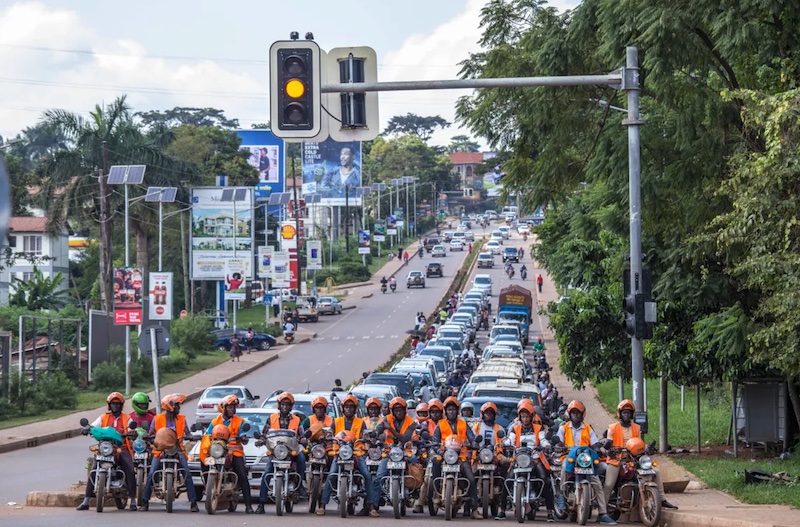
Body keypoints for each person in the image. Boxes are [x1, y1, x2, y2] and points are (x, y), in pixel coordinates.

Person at [603, 400, 677, 510]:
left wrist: (648, 448)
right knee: (609, 484)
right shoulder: (612, 428)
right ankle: (602, 510)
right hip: (617, 459)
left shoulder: (636, 428)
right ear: (620, 414)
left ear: (632, 414)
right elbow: (608, 442)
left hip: (633, 459)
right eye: (624, 413)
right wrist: (610, 448)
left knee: (655, 471)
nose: (626, 415)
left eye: (628, 413)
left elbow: (639, 443)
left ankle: (662, 500)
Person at [556, 400, 616, 525]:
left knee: (597, 482)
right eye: (573, 413)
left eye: (578, 413)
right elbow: (558, 442)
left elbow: (595, 445)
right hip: (569, 457)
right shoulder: (564, 428)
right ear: (569, 414)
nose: (575, 416)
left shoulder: (588, 428)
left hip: (585, 460)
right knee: (563, 468)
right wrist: (558, 446)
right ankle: (562, 494)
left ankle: (603, 513)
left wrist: (601, 451)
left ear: (582, 414)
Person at [318, 394, 379, 516]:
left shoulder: (360, 422)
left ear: (355, 409)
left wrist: (368, 439)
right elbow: (329, 435)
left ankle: (372, 506)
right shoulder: (336, 422)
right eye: (346, 407)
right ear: (342, 408)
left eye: (351, 407)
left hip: (356, 453)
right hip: (339, 453)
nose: (349, 409)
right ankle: (322, 505)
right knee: (331, 475)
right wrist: (325, 438)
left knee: (366, 475)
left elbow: (365, 436)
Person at [76, 392, 138, 511]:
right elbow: (93, 426)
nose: (115, 406)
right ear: (109, 405)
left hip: (121, 448)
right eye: (113, 404)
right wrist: (86, 429)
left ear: (121, 405)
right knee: (94, 469)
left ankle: (133, 500)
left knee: (129, 469)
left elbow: (131, 427)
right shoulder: (103, 417)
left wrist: (132, 432)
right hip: (105, 448)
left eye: (118, 404)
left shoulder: (126, 418)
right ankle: (86, 500)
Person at [142, 393, 198, 512]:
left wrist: (192, 437)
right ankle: (144, 501)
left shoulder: (182, 418)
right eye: (177, 405)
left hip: (177, 449)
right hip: (160, 449)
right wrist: (148, 436)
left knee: (187, 473)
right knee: (151, 473)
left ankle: (193, 502)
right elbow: (151, 432)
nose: (179, 408)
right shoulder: (157, 419)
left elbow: (187, 433)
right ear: (170, 406)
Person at [256, 392, 307, 513]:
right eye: (283, 404)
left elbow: (302, 435)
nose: (285, 407)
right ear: (279, 406)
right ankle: (261, 504)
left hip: (291, 451)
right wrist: (261, 440)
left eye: (287, 405)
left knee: (301, 458)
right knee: (267, 473)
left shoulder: (296, 420)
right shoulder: (272, 418)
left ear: (291, 407)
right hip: (276, 452)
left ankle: (300, 485)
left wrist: (304, 440)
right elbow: (265, 434)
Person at [431, 397, 482, 519]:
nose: (451, 412)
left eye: (453, 409)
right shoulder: (440, 424)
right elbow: (434, 442)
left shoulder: (463, 423)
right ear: (445, 411)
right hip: (445, 455)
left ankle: (474, 509)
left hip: (461, 456)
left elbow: (472, 437)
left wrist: (474, 444)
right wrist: (439, 451)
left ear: (457, 410)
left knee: (470, 477)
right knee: (435, 463)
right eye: (449, 409)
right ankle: (435, 492)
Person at [203, 394, 254, 513]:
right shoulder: (215, 421)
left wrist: (243, 438)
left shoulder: (240, 421)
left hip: (234, 451)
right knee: (204, 463)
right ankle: (209, 486)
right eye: (230, 407)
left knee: (242, 474)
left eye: (234, 407)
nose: (232, 410)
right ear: (223, 408)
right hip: (217, 451)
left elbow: (243, 434)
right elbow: (208, 434)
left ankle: (248, 505)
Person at [506, 400, 555, 522]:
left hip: (535, 458)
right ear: (520, 417)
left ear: (532, 417)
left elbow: (543, 439)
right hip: (519, 459)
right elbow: (510, 440)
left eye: (527, 416)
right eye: (523, 417)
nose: (525, 419)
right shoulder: (515, 428)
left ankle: (549, 512)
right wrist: (505, 443)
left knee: (544, 479)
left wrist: (546, 445)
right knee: (508, 480)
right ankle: (502, 510)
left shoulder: (539, 428)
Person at [372, 397, 421, 513]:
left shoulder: (411, 422)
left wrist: (390, 429)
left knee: (415, 462)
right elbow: (378, 429)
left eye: (400, 410)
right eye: (396, 410)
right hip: (389, 452)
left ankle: (414, 490)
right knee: (379, 476)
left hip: (405, 452)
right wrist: (374, 436)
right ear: (392, 411)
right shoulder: (387, 419)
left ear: (405, 410)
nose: (398, 412)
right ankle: (373, 504)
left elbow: (405, 438)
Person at [473, 403, 509, 519]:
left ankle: (503, 488)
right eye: (487, 413)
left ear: (495, 415)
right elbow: (472, 439)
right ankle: (470, 501)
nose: (489, 415)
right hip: (479, 454)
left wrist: (504, 445)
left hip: (495, 454)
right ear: (482, 414)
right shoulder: (477, 427)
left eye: (491, 413)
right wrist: (474, 446)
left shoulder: (499, 428)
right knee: (471, 472)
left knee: (506, 462)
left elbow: (505, 441)